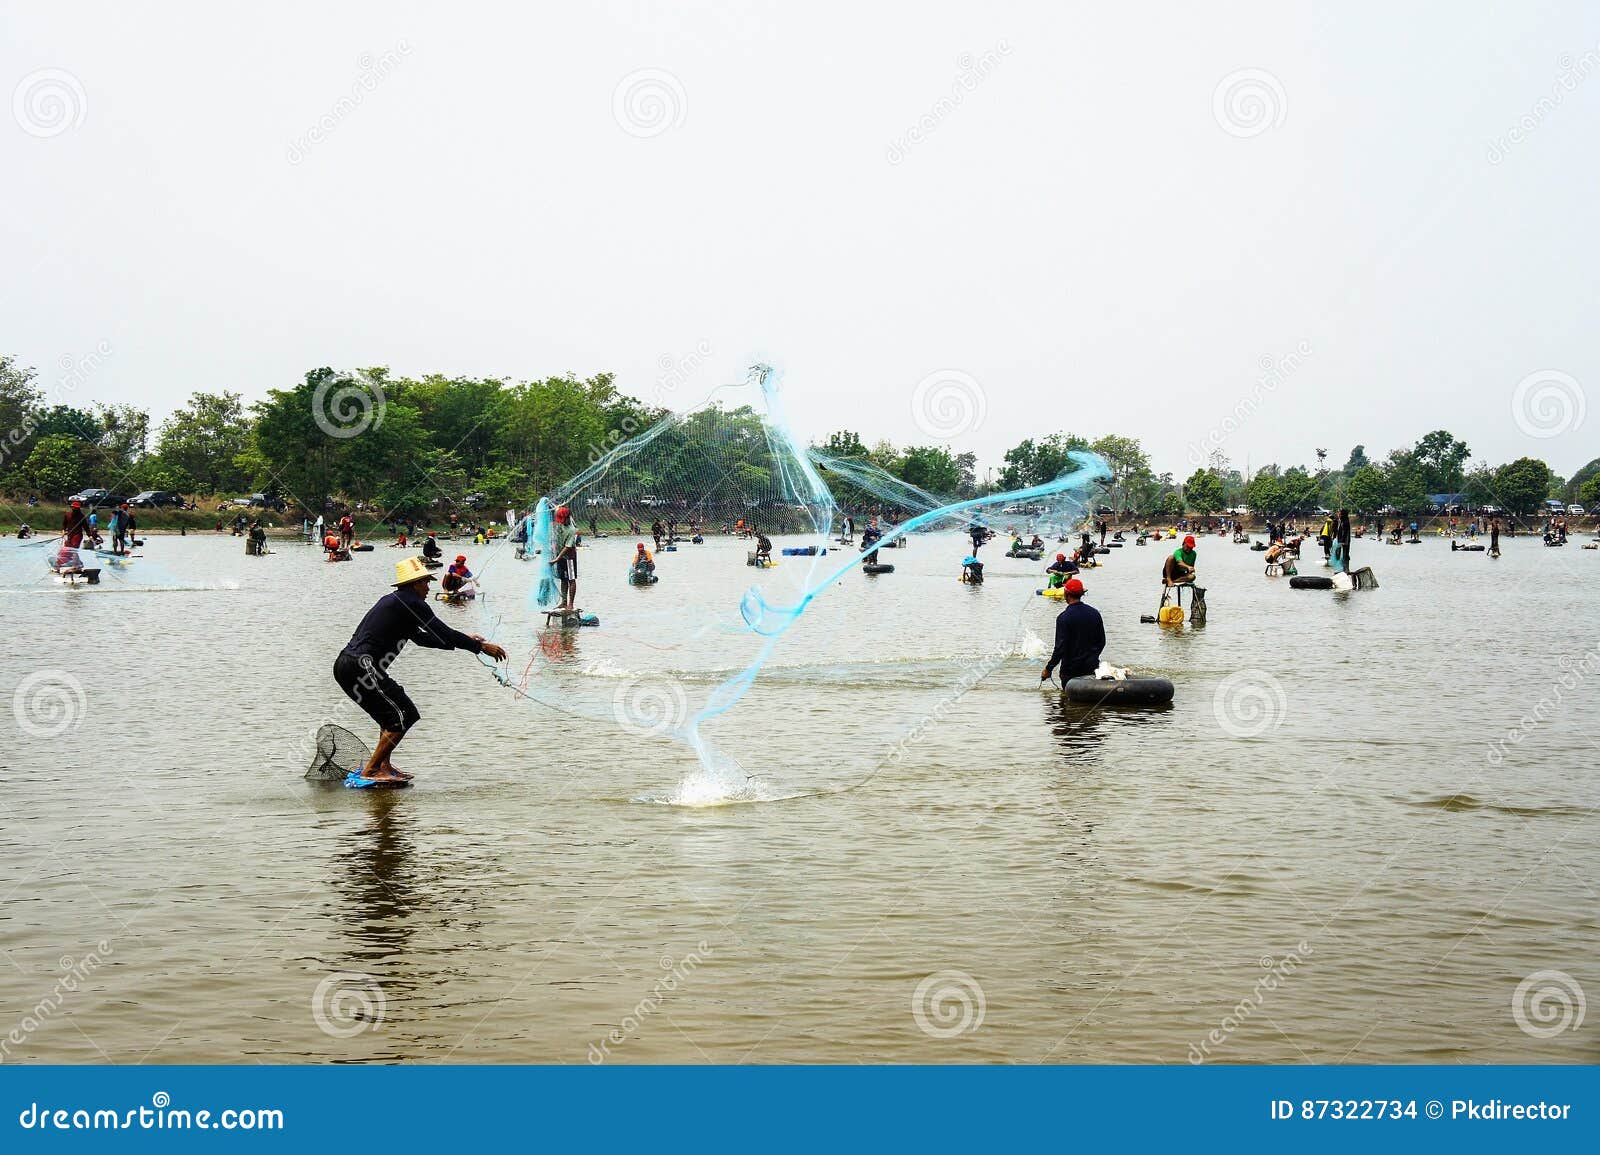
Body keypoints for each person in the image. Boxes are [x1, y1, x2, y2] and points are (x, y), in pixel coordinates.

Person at [333, 556, 507, 785]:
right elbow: (443, 632)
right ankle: (371, 770)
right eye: (425, 582)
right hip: (360, 665)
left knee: (396, 715)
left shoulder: (398, 602)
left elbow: (423, 639)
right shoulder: (411, 602)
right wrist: (481, 647)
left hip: (351, 665)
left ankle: (383, 766)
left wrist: (466, 641)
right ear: (414, 584)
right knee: (402, 715)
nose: (428, 587)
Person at [1041, 579, 1105, 683]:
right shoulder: (1095, 613)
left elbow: (1060, 648)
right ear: (1081, 594)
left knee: (1066, 697)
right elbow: (1102, 642)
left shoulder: (1063, 617)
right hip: (1091, 668)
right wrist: (1092, 657)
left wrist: (1048, 669)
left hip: (1070, 671)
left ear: (1066, 594)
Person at [552, 505, 579, 611]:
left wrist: (557, 558)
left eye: (561, 519)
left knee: (571, 579)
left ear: (567, 518)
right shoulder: (560, 524)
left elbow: (568, 547)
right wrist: (556, 508)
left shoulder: (572, 529)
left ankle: (570, 604)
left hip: (569, 557)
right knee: (563, 578)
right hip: (560, 557)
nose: (560, 521)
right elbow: (556, 512)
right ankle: (564, 602)